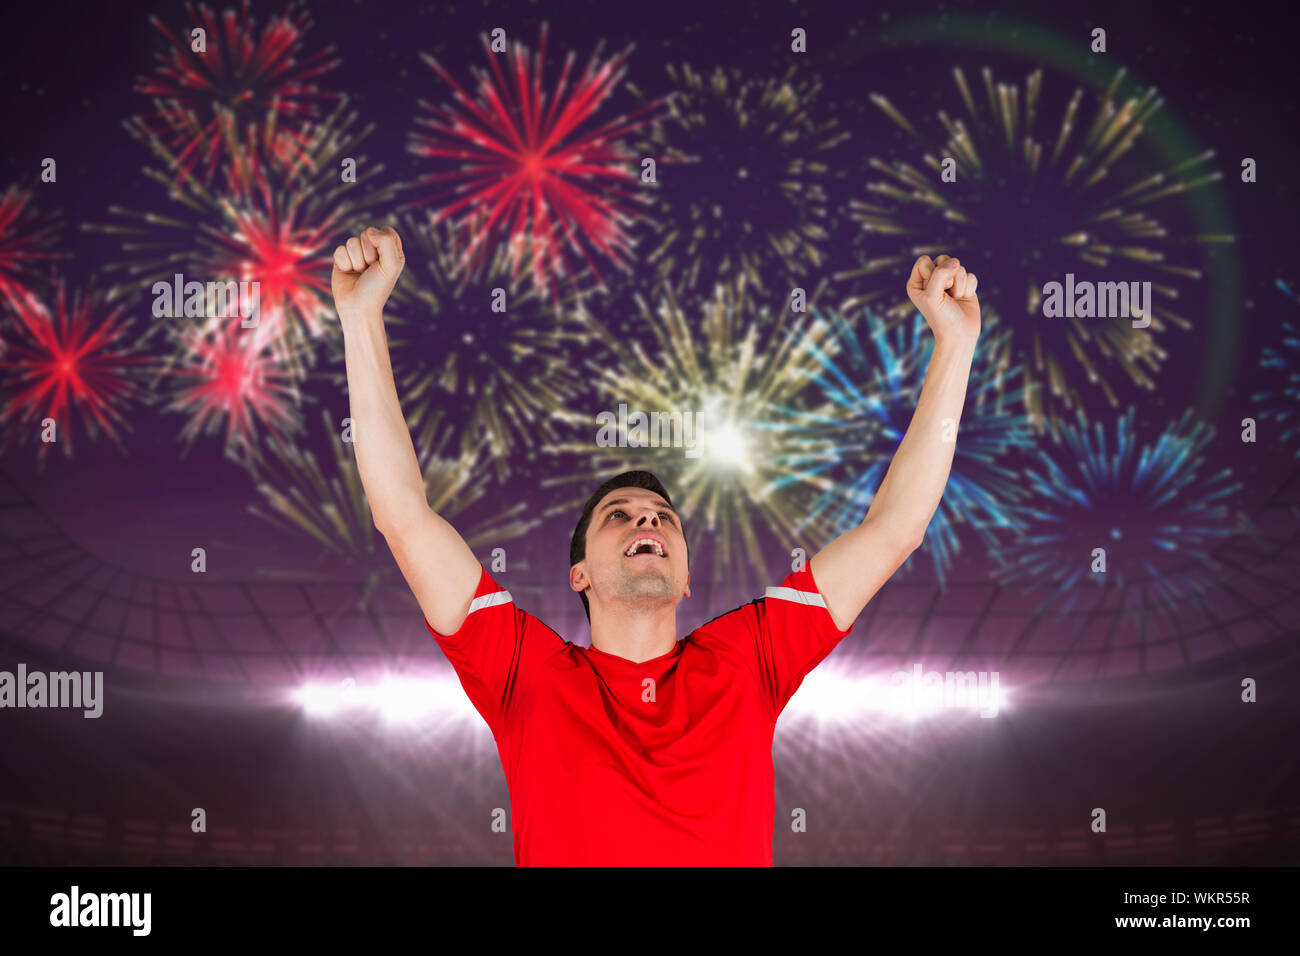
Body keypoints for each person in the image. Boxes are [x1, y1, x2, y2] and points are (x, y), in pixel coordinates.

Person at [331, 226, 981, 865]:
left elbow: (896, 530)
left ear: (688, 577)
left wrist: (955, 344)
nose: (648, 523)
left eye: (663, 518)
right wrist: (361, 320)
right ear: (579, 573)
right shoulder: (524, 673)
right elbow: (403, 516)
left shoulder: (749, 658)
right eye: (620, 515)